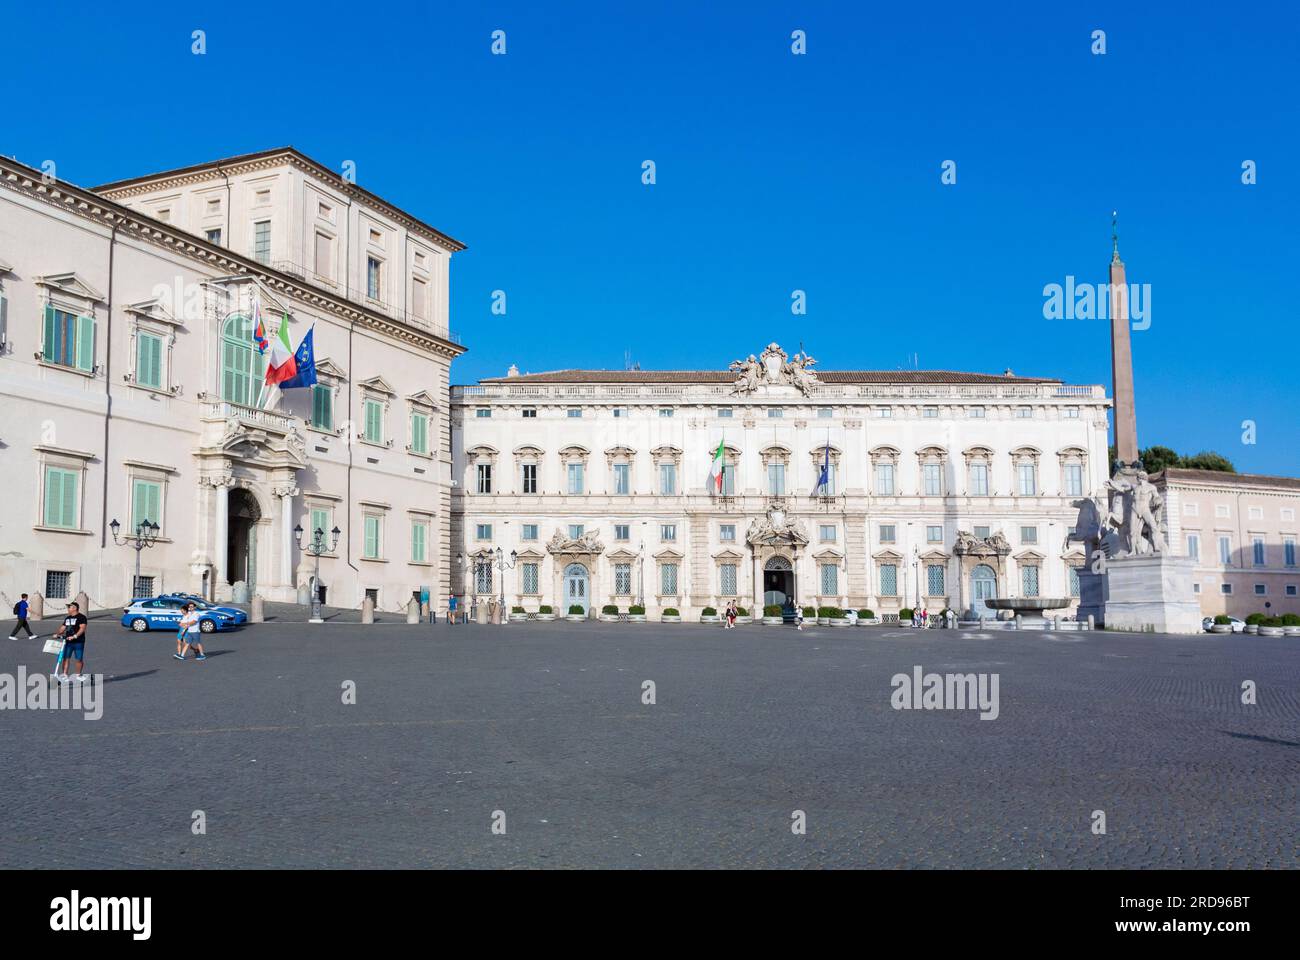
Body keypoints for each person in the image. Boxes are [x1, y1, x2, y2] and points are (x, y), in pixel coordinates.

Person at [53, 601, 88, 682]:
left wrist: (75, 636)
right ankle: (65, 675)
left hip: (78, 642)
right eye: (68, 607)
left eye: (69, 607)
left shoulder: (82, 617)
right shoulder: (68, 618)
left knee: (79, 659)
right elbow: (62, 628)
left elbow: (82, 628)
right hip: (68, 642)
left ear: (75, 608)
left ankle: (78, 675)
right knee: (65, 658)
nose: (68, 608)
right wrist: (57, 634)